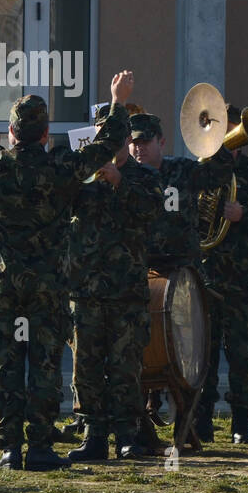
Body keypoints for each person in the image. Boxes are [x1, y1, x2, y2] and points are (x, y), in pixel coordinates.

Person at [0, 68, 131, 470]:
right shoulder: (62, 168)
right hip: (48, 286)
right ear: (45, 135)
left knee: (6, 361)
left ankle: (9, 447)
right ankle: (40, 445)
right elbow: (107, 144)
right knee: (44, 360)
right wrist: (117, 102)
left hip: (5, 284)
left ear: (10, 132)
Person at [127, 109, 234, 441]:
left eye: (144, 142)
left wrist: (213, 137)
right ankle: (142, 422)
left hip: (183, 271)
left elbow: (218, 173)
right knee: (142, 350)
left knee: (189, 351)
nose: (137, 149)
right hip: (141, 272)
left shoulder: (182, 170)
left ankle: (192, 421)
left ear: (161, 142)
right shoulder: (128, 176)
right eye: (132, 143)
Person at [66, 100, 164, 461]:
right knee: (86, 367)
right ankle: (93, 435)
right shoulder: (81, 176)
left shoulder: (145, 177)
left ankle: (128, 435)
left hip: (126, 291)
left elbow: (152, 211)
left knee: (126, 366)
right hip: (85, 290)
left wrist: (121, 181)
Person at [198, 104, 248, 445]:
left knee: (243, 355)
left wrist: (245, 214)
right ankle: (201, 420)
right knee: (204, 354)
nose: (228, 135)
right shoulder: (200, 171)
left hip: (245, 280)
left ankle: (241, 423)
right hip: (206, 276)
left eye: (233, 129)